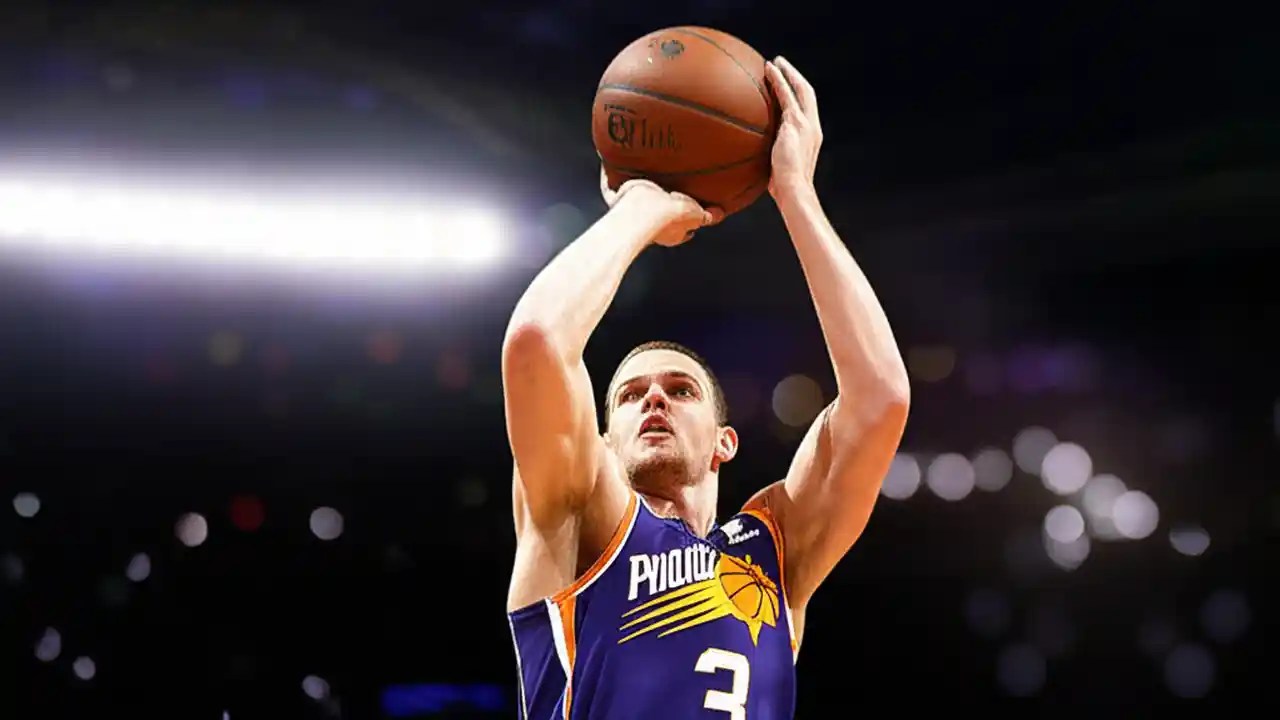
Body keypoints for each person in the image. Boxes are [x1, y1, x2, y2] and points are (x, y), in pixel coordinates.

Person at [501, 56, 910, 719]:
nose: (654, 399)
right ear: (603, 441)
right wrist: (643, 206)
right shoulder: (575, 522)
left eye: (681, 390)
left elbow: (881, 398)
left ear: (725, 441)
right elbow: (536, 343)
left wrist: (795, 195)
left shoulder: (773, 556)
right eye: (630, 395)